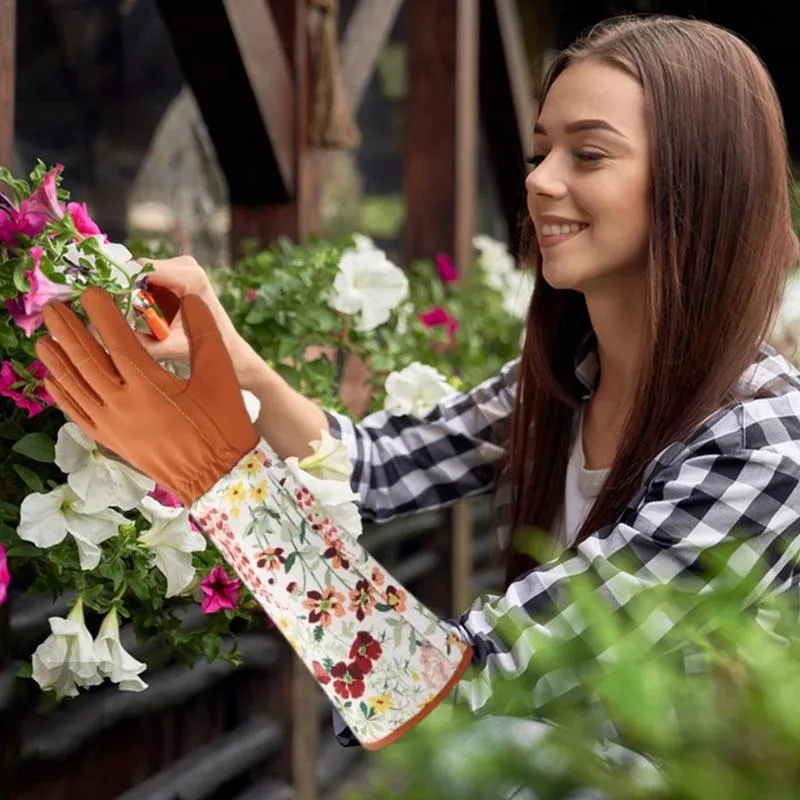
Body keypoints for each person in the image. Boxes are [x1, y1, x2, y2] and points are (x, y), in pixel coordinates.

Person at [36, 13, 800, 758]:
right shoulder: (567, 382)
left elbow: (456, 689)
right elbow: (373, 469)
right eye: (539, 152)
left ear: (700, 183)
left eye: (589, 155)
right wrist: (231, 355)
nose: (541, 182)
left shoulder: (761, 443)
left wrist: (215, 475)